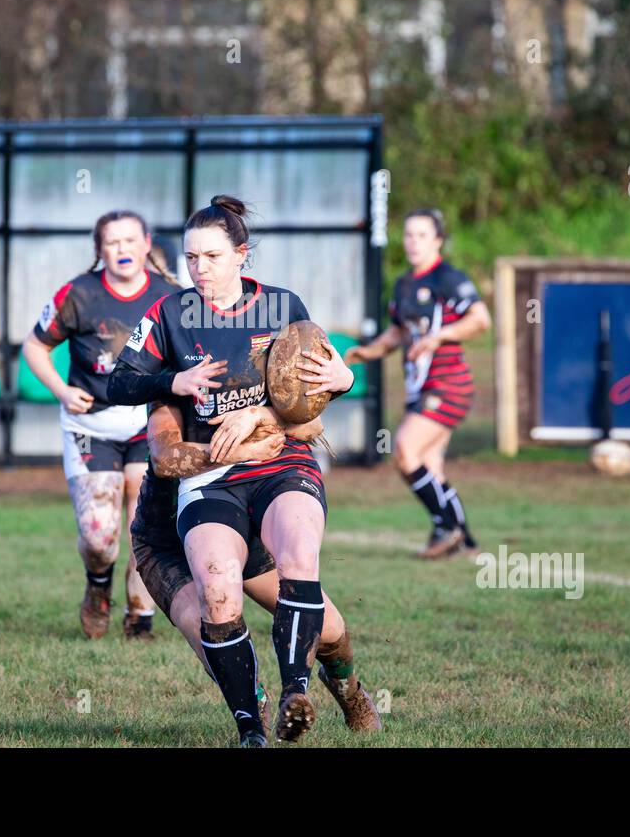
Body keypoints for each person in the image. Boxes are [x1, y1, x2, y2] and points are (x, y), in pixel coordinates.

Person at [107, 196, 355, 746]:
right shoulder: (169, 316)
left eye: (213, 257)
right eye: (192, 258)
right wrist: (174, 382)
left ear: (242, 256)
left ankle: (300, 691)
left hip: (278, 462)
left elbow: (317, 391)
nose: (201, 270)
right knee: (219, 591)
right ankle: (251, 730)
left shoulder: (284, 306)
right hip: (209, 478)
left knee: (306, 570)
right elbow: (118, 384)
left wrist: (339, 381)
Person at [133, 401, 382, 735]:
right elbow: (165, 458)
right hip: (166, 545)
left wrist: (264, 416)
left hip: (231, 524)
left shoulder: (251, 368)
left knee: (328, 629)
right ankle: (254, 713)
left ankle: (349, 691)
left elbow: (311, 425)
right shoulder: (173, 376)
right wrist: (233, 449)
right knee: (210, 623)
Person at [22, 210, 181, 639]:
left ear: (148, 243)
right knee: (98, 536)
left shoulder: (174, 296)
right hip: (90, 424)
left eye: (131, 240)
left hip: (150, 425)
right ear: (100, 249)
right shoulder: (77, 294)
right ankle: (97, 586)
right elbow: (34, 346)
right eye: (113, 243)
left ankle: (139, 618)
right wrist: (61, 390)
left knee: (144, 527)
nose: (123, 250)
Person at [343, 209, 492, 560]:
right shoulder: (404, 284)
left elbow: (480, 319)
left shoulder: (448, 278)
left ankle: (447, 527)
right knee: (431, 467)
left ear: (438, 240)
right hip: (420, 388)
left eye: (422, 235)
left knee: (406, 450)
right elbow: (398, 331)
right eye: (408, 234)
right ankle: (465, 542)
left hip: (448, 384)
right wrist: (370, 350)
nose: (413, 242)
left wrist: (441, 336)